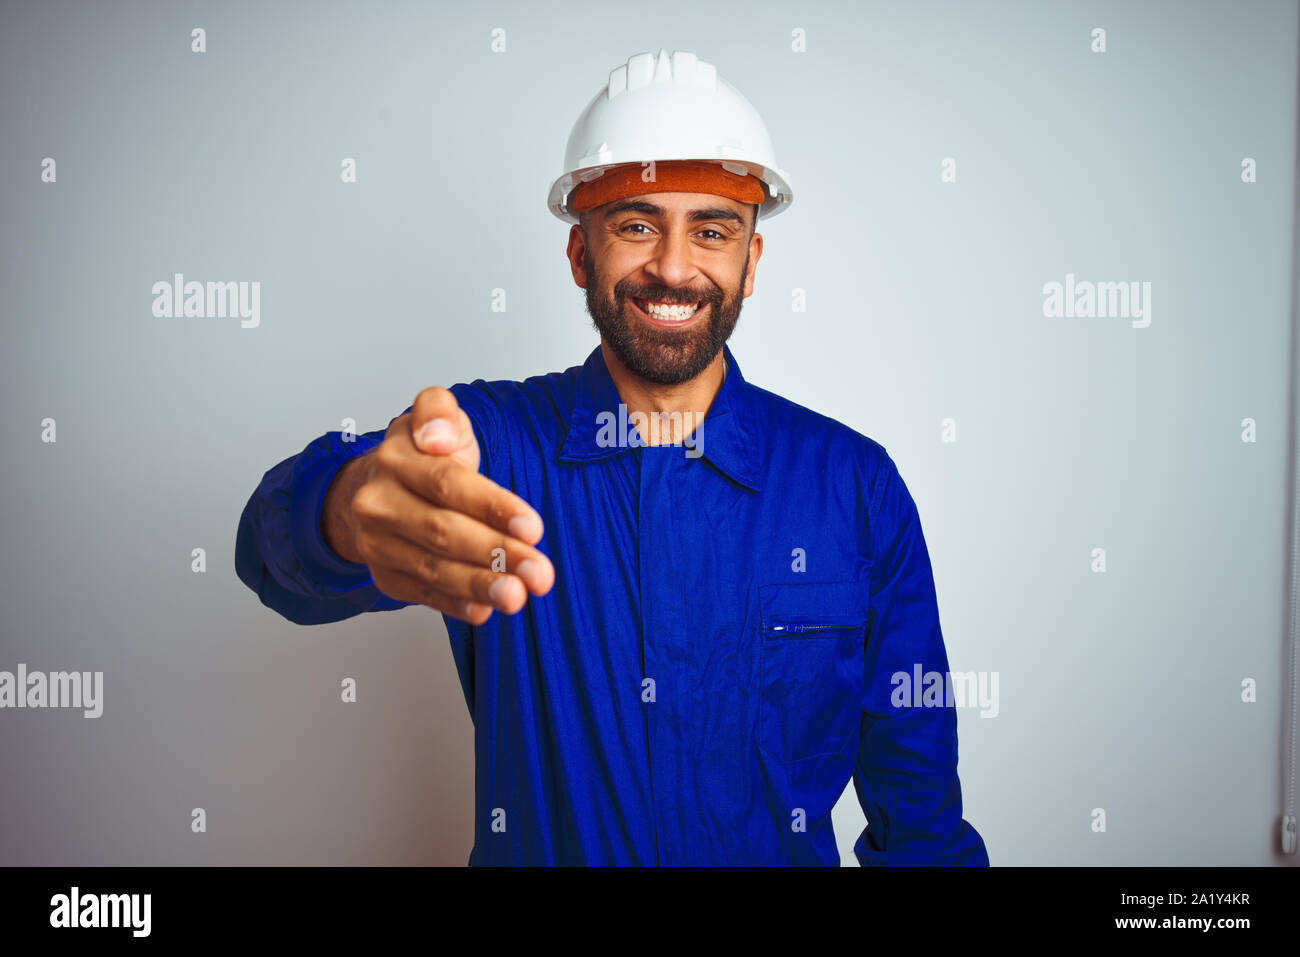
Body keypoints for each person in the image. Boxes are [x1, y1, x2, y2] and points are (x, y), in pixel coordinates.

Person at [235, 49, 989, 866]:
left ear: (751, 262)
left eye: (712, 229)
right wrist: (346, 511)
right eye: (636, 224)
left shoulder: (853, 486)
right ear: (579, 256)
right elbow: (274, 554)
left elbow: (922, 822)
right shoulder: (488, 446)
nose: (673, 265)